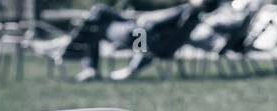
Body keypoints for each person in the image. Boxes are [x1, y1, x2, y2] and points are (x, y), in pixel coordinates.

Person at [63, 0, 211, 80]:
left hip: (135, 33)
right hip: (139, 33)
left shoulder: (186, 10)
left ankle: (85, 63)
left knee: (97, 18)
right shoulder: (191, 16)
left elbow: (150, 25)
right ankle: (82, 58)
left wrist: (139, 41)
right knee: (97, 16)